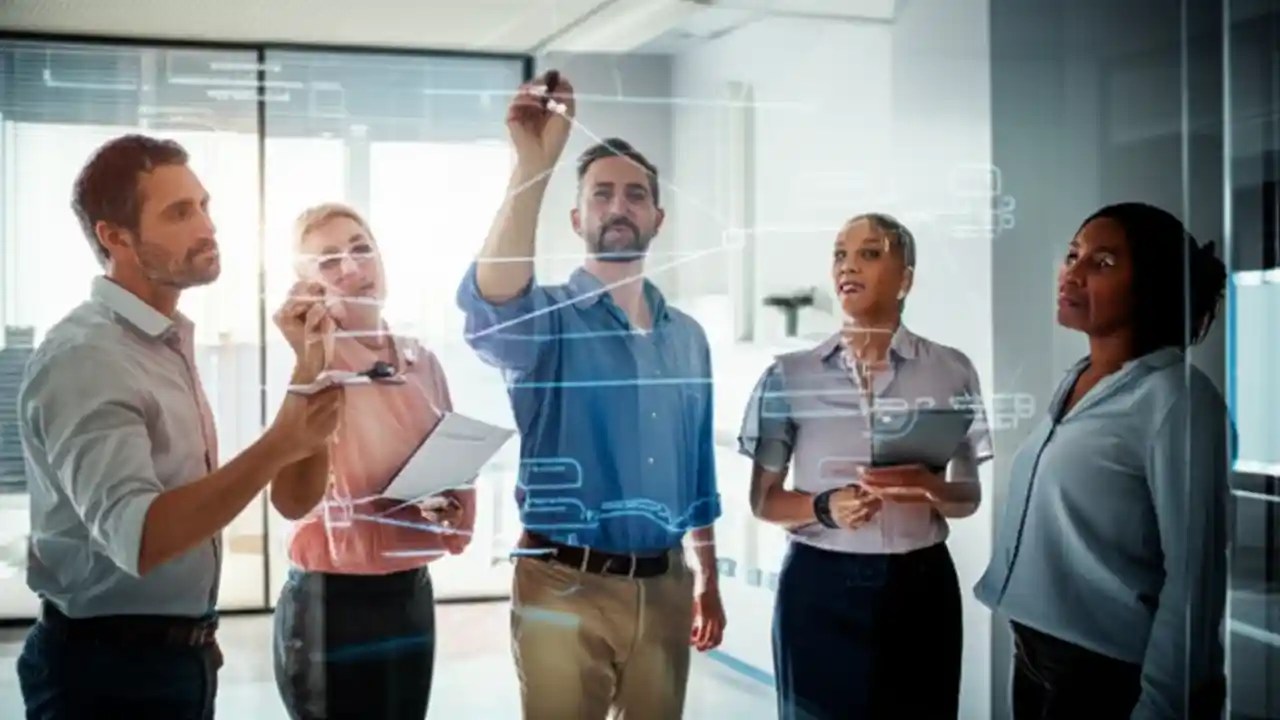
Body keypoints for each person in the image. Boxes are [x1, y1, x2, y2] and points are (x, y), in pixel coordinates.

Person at [15, 134, 342, 720]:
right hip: (105, 677)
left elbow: (294, 499)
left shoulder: (163, 343)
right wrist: (276, 446)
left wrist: (308, 363)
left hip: (177, 660)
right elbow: (138, 538)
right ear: (114, 238)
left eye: (205, 205)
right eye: (179, 212)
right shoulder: (88, 358)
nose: (208, 227)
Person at [456, 72, 726, 719]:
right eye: (602, 193)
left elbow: (696, 471)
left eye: (635, 194)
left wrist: (708, 577)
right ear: (578, 216)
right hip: (562, 583)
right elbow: (492, 303)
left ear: (657, 216)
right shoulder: (547, 322)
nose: (619, 205)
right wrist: (532, 165)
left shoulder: (686, 337)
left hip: (665, 584)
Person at [974, 202, 1231, 719]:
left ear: (1151, 285)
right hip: (1033, 660)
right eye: (1073, 254)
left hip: (1102, 677)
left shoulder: (1177, 401)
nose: (1073, 271)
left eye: (1103, 262)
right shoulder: (1078, 379)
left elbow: (1194, 581)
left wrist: (1161, 708)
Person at [738, 213, 992, 719]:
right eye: (840, 254)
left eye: (870, 253)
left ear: (906, 279)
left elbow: (968, 497)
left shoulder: (953, 369)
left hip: (921, 589)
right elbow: (762, 500)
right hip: (819, 589)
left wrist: (928, 488)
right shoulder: (789, 376)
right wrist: (824, 507)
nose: (848, 266)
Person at [269, 202, 475, 720]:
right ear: (307, 285)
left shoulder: (421, 362)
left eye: (361, 248)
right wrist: (310, 363)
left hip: (408, 591)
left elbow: (450, 471)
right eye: (330, 260)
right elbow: (292, 495)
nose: (353, 268)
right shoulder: (312, 362)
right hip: (330, 602)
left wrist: (447, 507)